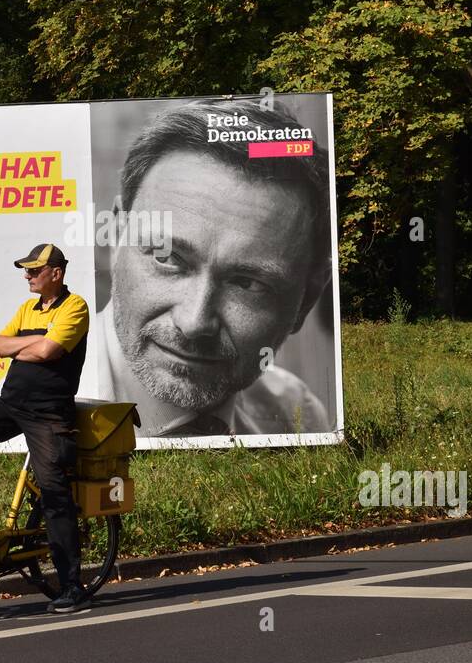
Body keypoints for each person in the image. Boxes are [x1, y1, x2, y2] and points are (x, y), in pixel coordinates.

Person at [92, 99, 332, 437]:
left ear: (306, 301)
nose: (194, 323)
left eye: (247, 283)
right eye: (167, 257)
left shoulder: (299, 417)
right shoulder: (12, 410)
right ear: (116, 238)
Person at [0, 242, 93, 613]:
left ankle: (71, 585)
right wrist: (33, 343)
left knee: (55, 494)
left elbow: (47, 353)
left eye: (34, 270)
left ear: (55, 273)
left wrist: (26, 347)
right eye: (25, 270)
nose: (26, 275)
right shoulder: (28, 308)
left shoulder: (75, 307)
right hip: (11, 405)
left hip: (48, 414)